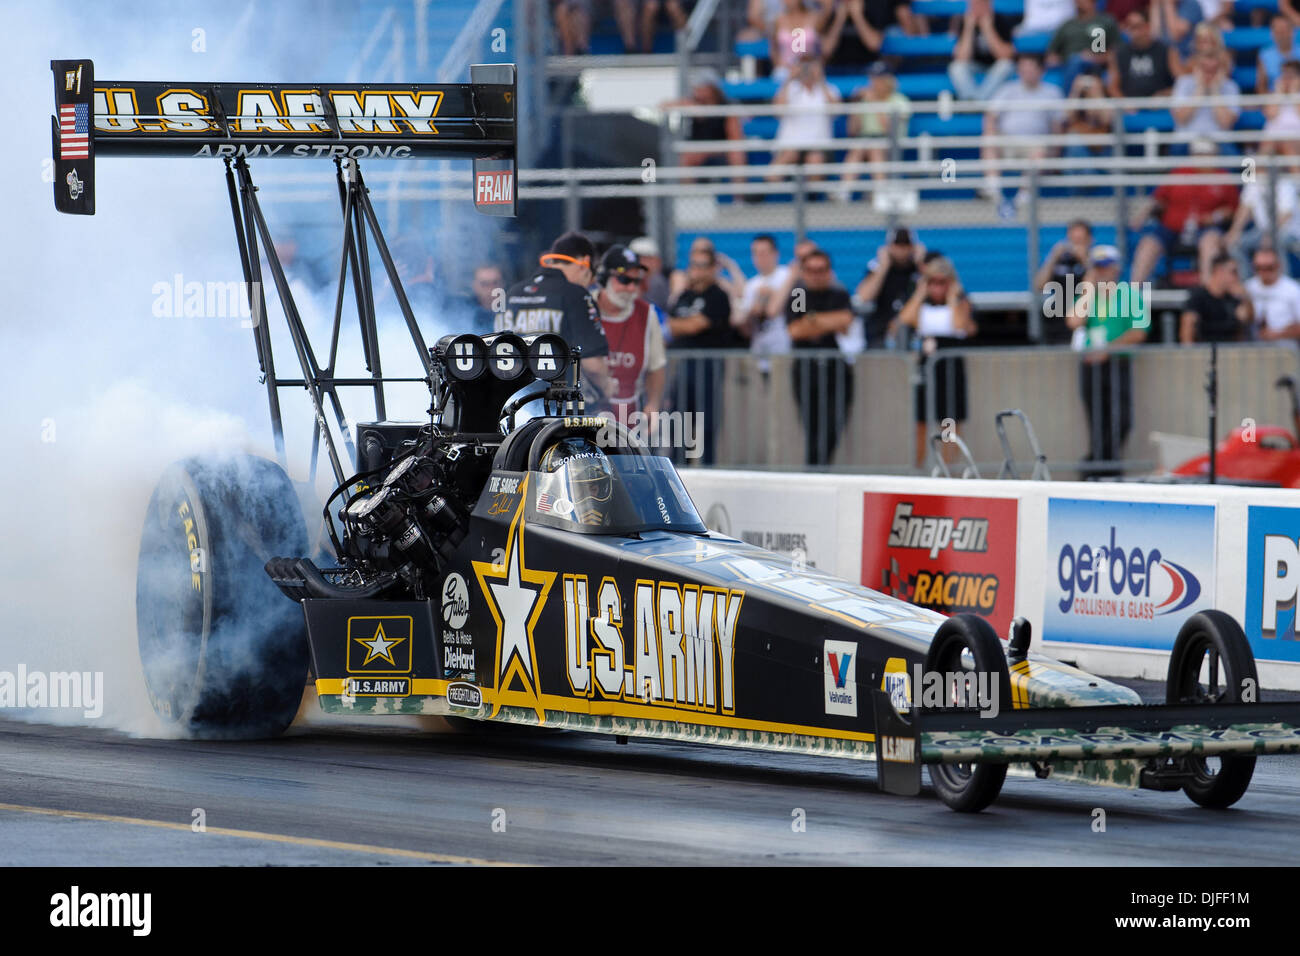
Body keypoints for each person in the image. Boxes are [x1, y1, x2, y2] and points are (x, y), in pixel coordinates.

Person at [498, 231, 612, 400]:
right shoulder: (577, 295)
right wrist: (608, 386)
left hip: (515, 403)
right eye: (591, 274)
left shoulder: (514, 292)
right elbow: (593, 364)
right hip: (556, 408)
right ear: (584, 264)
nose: (590, 283)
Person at [1066, 244, 1147, 478]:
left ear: (1115, 269)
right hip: (1092, 365)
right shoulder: (1089, 296)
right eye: (1097, 268)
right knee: (1096, 420)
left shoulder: (1129, 295)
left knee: (1121, 419)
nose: (1101, 272)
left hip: (1116, 364)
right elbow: (1073, 321)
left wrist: (1108, 350)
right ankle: (1099, 466)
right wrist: (1088, 290)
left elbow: (1139, 332)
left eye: (1105, 268)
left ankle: (1102, 464)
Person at [896, 256, 977, 468]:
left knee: (949, 421)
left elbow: (960, 325)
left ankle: (947, 467)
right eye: (932, 282)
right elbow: (905, 319)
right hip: (927, 368)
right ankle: (920, 466)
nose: (937, 287)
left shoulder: (960, 302)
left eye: (943, 282)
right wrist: (919, 293)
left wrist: (952, 297)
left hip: (950, 368)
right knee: (922, 421)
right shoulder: (921, 304)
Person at [1128, 139, 1238, 285]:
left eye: (1206, 154)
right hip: (1172, 228)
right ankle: (1132, 294)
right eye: (1199, 154)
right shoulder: (1179, 173)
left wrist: (1216, 216)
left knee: (1210, 242)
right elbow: (1159, 198)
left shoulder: (1223, 177)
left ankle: (1208, 291)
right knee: (1148, 243)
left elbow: (1232, 209)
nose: (1203, 158)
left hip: (1205, 228)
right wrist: (1142, 216)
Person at [783, 248, 856, 465]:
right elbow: (796, 330)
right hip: (806, 370)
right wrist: (827, 322)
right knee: (811, 427)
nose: (816, 275)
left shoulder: (839, 293)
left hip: (836, 370)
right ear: (803, 272)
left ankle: (820, 468)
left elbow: (845, 321)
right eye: (811, 270)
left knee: (833, 426)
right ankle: (814, 469)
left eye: (821, 270)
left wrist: (812, 319)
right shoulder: (799, 294)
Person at [667, 247, 740, 464]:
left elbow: (695, 325)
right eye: (694, 265)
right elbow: (668, 326)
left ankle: (707, 468)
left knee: (706, 423)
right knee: (679, 422)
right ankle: (680, 469)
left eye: (703, 265)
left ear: (713, 269)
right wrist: (683, 325)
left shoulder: (718, 296)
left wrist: (683, 325)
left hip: (708, 367)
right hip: (683, 365)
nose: (697, 271)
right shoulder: (684, 296)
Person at [593, 245, 668, 425]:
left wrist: (653, 404)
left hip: (630, 418)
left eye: (636, 282)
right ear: (604, 279)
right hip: (587, 414)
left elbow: (656, 366)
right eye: (624, 280)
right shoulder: (583, 308)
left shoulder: (646, 314)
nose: (631, 288)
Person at [980, 54, 1065, 203]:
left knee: (1040, 152)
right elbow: (990, 116)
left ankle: (1024, 197)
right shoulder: (1007, 90)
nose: (1026, 73)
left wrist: (1055, 154)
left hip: (1037, 145)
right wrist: (990, 132)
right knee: (989, 139)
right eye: (1023, 70)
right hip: (1008, 142)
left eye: (1030, 69)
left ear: (1041, 71)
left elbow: (1057, 126)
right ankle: (992, 189)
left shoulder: (1052, 92)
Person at [838, 62, 911, 200]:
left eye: (877, 79)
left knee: (874, 148)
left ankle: (881, 194)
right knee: (858, 148)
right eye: (872, 79)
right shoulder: (865, 100)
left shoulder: (899, 100)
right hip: (865, 140)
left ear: (887, 81)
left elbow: (890, 129)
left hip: (892, 143)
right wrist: (855, 106)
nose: (873, 83)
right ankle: (844, 192)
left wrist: (874, 102)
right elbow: (852, 131)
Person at [661, 78, 748, 186]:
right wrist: (691, 107)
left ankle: (738, 199)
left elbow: (735, 138)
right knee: (686, 158)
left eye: (701, 87)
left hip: (722, 149)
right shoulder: (692, 104)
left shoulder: (726, 107)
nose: (698, 91)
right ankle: (689, 197)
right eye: (696, 88)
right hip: (699, 149)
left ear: (711, 89)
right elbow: (664, 105)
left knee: (737, 155)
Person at [770, 55, 841, 186]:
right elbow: (777, 111)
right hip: (790, 146)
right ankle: (758, 196)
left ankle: (811, 200)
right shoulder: (790, 88)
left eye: (812, 65)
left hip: (819, 146)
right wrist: (789, 79)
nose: (807, 70)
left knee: (815, 159)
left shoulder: (829, 89)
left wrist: (821, 80)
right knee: (787, 158)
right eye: (804, 66)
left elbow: (836, 111)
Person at [856, 226, 925, 347]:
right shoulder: (878, 267)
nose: (902, 249)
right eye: (897, 245)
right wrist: (883, 266)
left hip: (914, 329)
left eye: (906, 245)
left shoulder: (919, 269)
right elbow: (863, 296)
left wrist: (921, 264)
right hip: (881, 331)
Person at [1224, 165, 1299, 275]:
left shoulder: (1285, 183)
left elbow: (1286, 215)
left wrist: (1269, 234)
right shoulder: (1254, 184)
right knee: (1234, 244)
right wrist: (1234, 231)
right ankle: (1248, 282)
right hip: (1262, 232)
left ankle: (1282, 282)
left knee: (1275, 242)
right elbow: (1245, 209)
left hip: (1288, 232)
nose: (1257, 170)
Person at [1046, 0, 1121, 98]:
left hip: (1098, 66)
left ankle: (1068, 104)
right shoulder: (1067, 25)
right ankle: (1070, 103)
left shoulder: (1105, 22)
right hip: (1070, 66)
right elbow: (1052, 54)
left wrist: (1094, 57)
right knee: (1075, 60)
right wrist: (1060, 59)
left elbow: (1118, 51)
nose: (1078, 2)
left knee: (1078, 60)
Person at [1034, 218, 1093, 341]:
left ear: (1089, 240)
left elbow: (1101, 285)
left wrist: (1084, 259)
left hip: (1084, 314)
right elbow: (1039, 285)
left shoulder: (1095, 261)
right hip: (1057, 314)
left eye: (1080, 241)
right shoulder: (1059, 261)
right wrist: (1053, 258)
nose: (1075, 245)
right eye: (1073, 240)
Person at [1171, 40, 1240, 144]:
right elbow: (1181, 118)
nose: (1208, 74)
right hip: (1186, 142)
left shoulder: (1231, 87)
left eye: (1213, 70)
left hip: (1219, 142)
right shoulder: (1183, 83)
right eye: (1205, 69)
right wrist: (1199, 89)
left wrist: (1215, 91)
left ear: (1221, 69)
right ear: (1196, 68)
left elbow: (1226, 122)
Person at [948, 0, 1018, 101]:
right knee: (956, 67)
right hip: (975, 66)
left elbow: (1006, 55)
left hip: (996, 66)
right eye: (974, 4)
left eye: (981, 3)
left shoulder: (1001, 20)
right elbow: (961, 58)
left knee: (1006, 65)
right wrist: (969, 28)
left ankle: (976, 102)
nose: (978, 8)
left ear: (989, 4)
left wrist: (987, 28)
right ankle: (974, 100)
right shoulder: (965, 21)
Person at [738, 233, 793, 356]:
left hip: (785, 350)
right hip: (760, 351)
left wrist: (774, 296)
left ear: (775, 254)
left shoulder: (789, 277)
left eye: (764, 253)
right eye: (755, 253)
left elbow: (800, 308)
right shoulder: (751, 285)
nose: (759, 258)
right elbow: (746, 329)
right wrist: (752, 312)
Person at [1180, 253, 1253, 342]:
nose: (1237, 277)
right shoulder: (1198, 296)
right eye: (1233, 272)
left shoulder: (1233, 298)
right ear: (1218, 271)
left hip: (1229, 351)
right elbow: (1187, 328)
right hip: (1205, 351)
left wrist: (1245, 298)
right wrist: (1190, 354)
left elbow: (1246, 318)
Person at [1108, 8, 1177, 102]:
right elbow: (1113, 87)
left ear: (1147, 27)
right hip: (1129, 109)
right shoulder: (1119, 53)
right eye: (1130, 27)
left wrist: (1165, 94)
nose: (1134, 32)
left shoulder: (1166, 50)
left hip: (1161, 107)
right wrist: (1125, 104)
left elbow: (1181, 82)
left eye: (1137, 27)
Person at [1246, 245, 1300, 338]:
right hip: (1254, 346)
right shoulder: (1248, 287)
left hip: (1286, 348)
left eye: (1269, 268)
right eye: (1259, 268)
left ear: (1278, 265)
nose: (1264, 272)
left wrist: (1278, 335)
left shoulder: (1293, 289)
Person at [1258, 15, 1300, 94]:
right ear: (1272, 34)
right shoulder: (1265, 55)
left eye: (1284, 31)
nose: (1282, 36)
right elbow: (1261, 86)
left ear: (1293, 31)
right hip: (1275, 99)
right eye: (1278, 32)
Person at [629, 236, 672, 312]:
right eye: (639, 258)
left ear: (657, 261)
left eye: (647, 258)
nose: (642, 262)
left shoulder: (657, 282)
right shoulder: (625, 279)